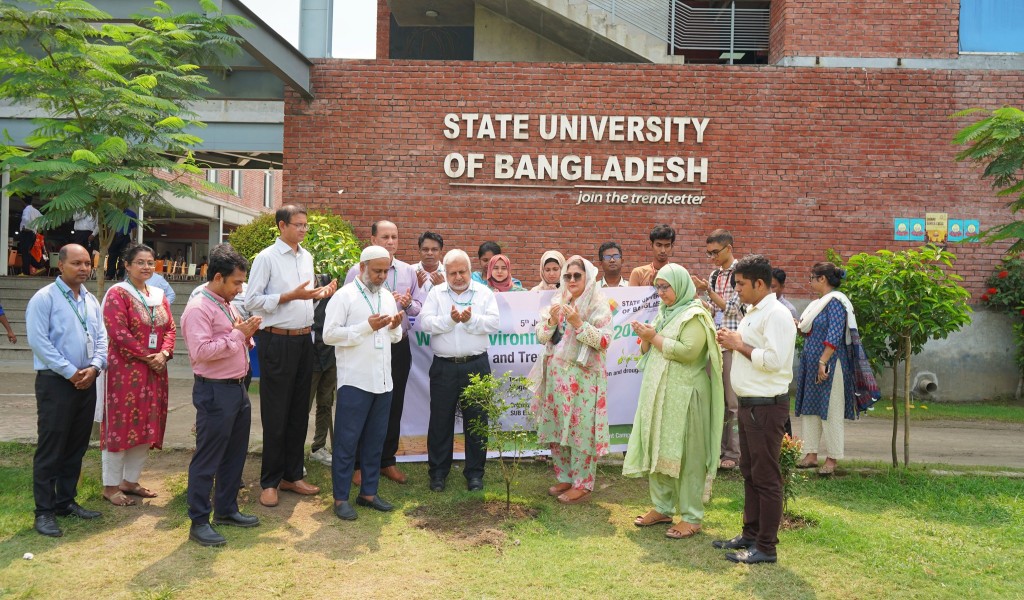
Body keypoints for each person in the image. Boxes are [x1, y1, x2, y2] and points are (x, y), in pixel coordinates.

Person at [245, 205, 337, 508]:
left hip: (303, 340)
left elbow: (304, 297)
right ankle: (269, 481)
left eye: (306, 226)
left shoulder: (306, 256)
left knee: (300, 411)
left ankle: (293, 474)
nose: (303, 230)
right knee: (276, 413)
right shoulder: (266, 258)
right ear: (281, 226)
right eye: (298, 225)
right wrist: (289, 297)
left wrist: (319, 294)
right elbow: (253, 302)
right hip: (277, 341)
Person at [624, 264, 724, 539]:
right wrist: (645, 337)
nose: (661, 292)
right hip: (661, 396)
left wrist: (653, 337)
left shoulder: (694, 315)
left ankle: (691, 516)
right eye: (658, 287)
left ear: (680, 286)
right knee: (659, 450)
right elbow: (647, 348)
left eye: (665, 287)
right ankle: (663, 506)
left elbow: (689, 352)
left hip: (687, 397)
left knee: (689, 455)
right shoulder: (665, 313)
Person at [713, 254, 797, 565]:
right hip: (750, 406)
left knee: (766, 477)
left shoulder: (775, 314)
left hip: (766, 406)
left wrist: (739, 345)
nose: (737, 290)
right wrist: (734, 341)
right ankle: (750, 534)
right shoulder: (753, 312)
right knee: (750, 473)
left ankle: (766, 547)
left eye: (740, 284)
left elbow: (775, 360)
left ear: (760, 283)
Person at [181, 243, 262, 547]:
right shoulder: (198, 308)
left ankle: (226, 509)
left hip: (236, 388)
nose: (240, 289)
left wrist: (245, 338)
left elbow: (229, 337)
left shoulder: (224, 301)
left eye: (242, 282)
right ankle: (199, 521)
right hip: (214, 391)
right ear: (218, 277)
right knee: (208, 458)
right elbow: (201, 353)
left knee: (234, 454)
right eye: (236, 282)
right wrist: (238, 336)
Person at [26, 244, 108, 537]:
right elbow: (39, 343)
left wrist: (95, 367)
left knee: (76, 446)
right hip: (57, 383)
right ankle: (45, 512)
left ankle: (65, 501)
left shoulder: (90, 300)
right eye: (77, 263)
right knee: (52, 447)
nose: (84, 268)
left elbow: (101, 338)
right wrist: (71, 372)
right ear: (60, 266)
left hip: (87, 381)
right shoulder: (44, 298)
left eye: (88, 263)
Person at [323, 246, 404, 520]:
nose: (381, 276)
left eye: (385, 271)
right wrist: (365, 327)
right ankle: (340, 498)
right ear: (362, 268)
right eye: (377, 271)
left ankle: (369, 493)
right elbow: (329, 335)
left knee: (375, 441)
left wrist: (394, 326)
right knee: (347, 443)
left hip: (383, 381)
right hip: (355, 381)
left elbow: (395, 338)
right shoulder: (343, 296)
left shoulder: (386, 297)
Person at [344, 220, 423, 485]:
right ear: (373, 239)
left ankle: (386, 460)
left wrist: (407, 303)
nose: (391, 242)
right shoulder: (357, 270)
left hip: (397, 343)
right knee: (363, 403)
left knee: (393, 402)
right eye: (385, 237)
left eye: (395, 237)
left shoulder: (407, 271)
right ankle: (357, 463)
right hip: (367, 344)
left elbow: (418, 308)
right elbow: (348, 306)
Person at [530, 256, 613, 504]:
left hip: (585, 379)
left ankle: (583, 483)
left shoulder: (598, 305)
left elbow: (604, 341)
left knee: (581, 430)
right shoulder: (558, 300)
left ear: (588, 277)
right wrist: (553, 321)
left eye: (577, 275)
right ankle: (565, 476)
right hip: (556, 377)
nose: (572, 280)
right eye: (568, 276)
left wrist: (578, 323)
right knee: (558, 427)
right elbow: (541, 336)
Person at [99, 243, 176, 507]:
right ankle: (110, 486)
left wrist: (163, 355)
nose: (146, 266)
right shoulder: (117, 293)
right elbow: (118, 333)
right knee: (120, 427)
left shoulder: (158, 294)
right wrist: (148, 356)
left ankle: (130, 481)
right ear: (127, 265)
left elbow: (170, 329)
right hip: (124, 371)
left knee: (146, 424)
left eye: (150, 262)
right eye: (140, 262)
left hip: (155, 372)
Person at [418, 249, 500, 492]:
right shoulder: (436, 293)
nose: (458, 277)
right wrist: (450, 321)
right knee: (440, 421)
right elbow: (424, 322)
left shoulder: (483, 292)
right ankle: (438, 473)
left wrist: (470, 321)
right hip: (444, 367)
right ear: (446, 272)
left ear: (470, 270)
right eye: (452, 273)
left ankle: (475, 474)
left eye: (462, 271)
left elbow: (494, 323)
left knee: (477, 421)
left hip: (476, 365)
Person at [795, 262, 858, 476]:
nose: (810, 281)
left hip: (830, 365)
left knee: (831, 410)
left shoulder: (836, 302)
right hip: (813, 364)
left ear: (822, 279)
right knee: (810, 409)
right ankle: (810, 454)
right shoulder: (817, 304)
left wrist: (823, 362)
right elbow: (810, 331)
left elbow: (834, 335)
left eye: (811, 277)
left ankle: (832, 458)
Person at [693, 229, 742, 471]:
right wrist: (697, 300)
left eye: (715, 252)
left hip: (733, 344)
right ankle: (718, 449)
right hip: (715, 344)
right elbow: (714, 310)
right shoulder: (714, 275)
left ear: (729, 248)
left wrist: (708, 292)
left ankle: (733, 452)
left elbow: (733, 309)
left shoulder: (741, 273)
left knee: (732, 402)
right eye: (709, 253)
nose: (712, 257)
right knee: (716, 400)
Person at [308, 273, 338, 467]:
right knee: (303, 406)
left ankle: (318, 448)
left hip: (330, 357)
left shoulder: (334, 301)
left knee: (326, 403)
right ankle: (294, 450)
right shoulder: (304, 302)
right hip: (310, 359)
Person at [105, 208, 137, 280]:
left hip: (124, 236)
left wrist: (134, 239)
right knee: (112, 256)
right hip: (114, 236)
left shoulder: (131, 214)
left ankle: (120, 276)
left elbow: (134, 227)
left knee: (123, 257)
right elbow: (108, 226)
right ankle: (109, 275)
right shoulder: (113, 212)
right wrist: (108, 238)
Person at [18, 198, 45, 276]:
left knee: (25, 252)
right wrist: (37, 227)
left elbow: (25, 219)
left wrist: (25, 226)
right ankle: (39, 266)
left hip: (26, 232)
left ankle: (26, 272)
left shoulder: (26, 209)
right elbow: (44, 219)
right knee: (26, 252)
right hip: (33, 234)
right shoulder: (35, 210)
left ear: (23, 202)